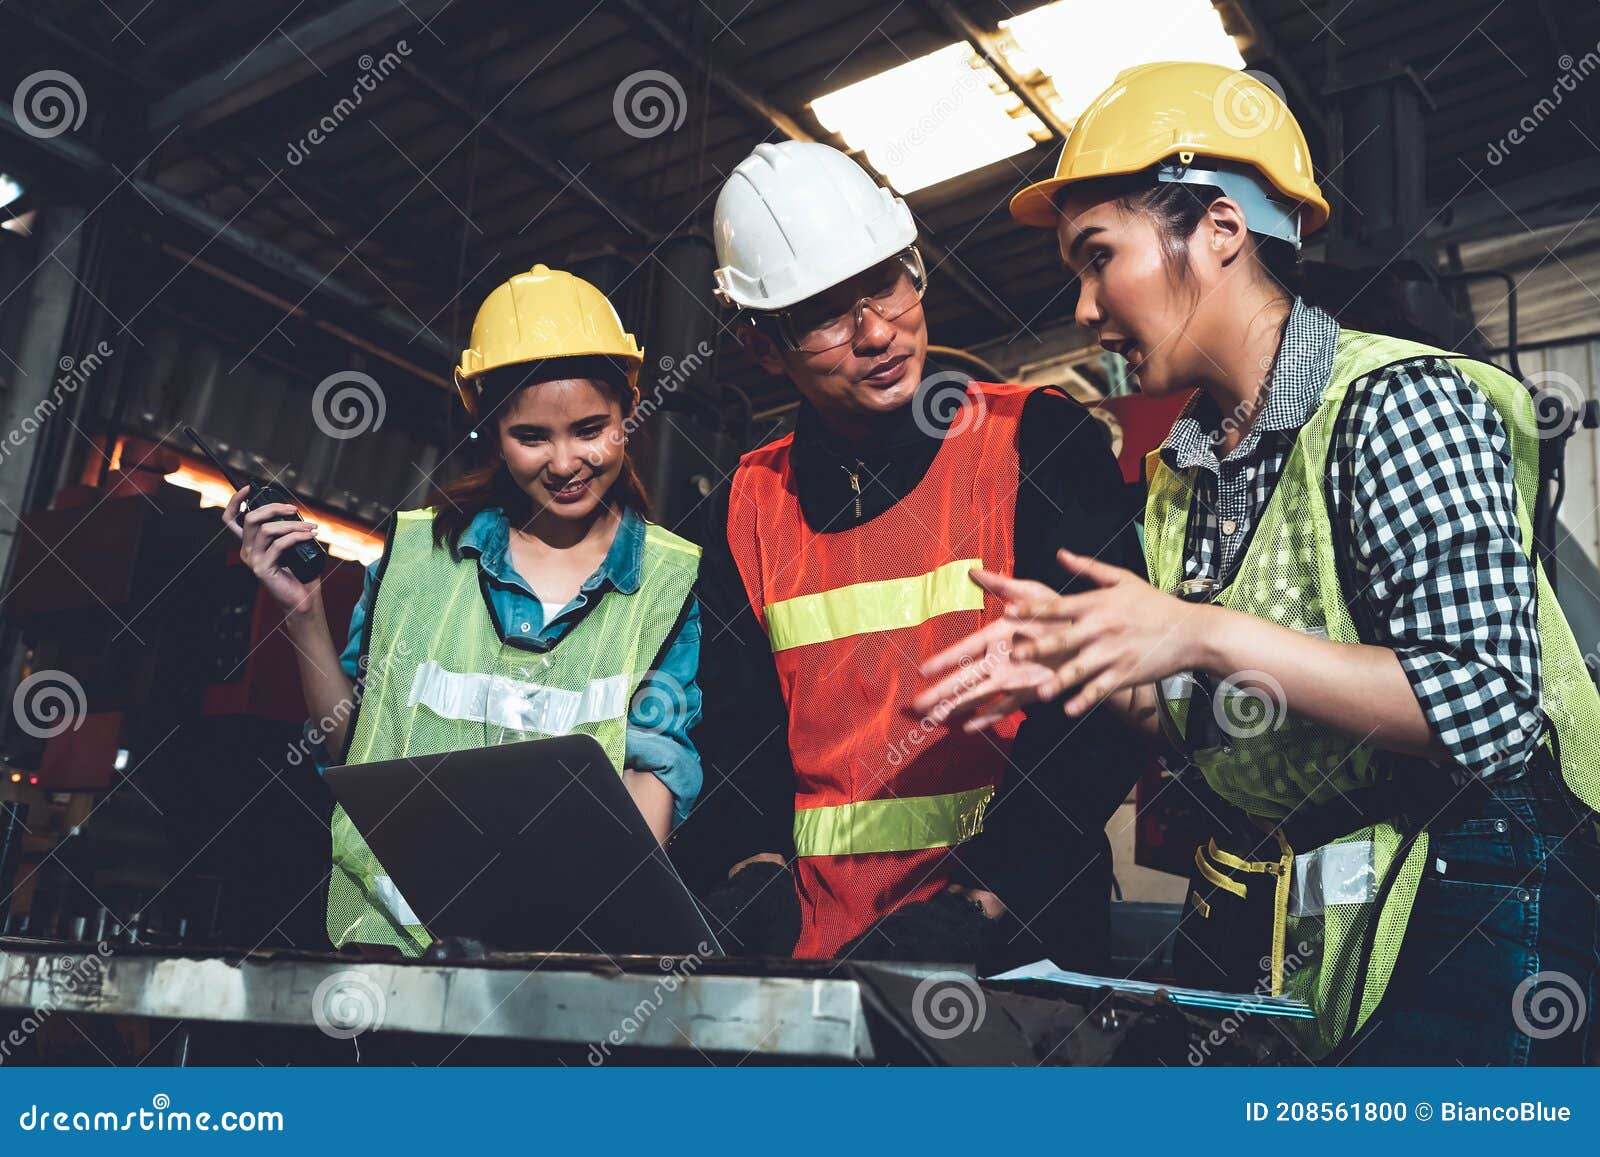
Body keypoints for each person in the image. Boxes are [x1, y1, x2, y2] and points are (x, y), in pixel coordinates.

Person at [917, 61, 1600, 1063]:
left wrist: (1192, 629)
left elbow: (1487, 702)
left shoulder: (1394, 402)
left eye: (1098, 256)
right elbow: (1223, 722)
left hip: (1479, 888)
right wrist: (1104, 675)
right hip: (1308, 904)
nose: (1082, 307)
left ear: (1220, 232)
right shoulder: (1183, 468)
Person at [677, 141, 1145, 973]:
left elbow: (1102, 712)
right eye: (825, 313)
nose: (877, 331)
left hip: (1016, 950)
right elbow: (734, 739)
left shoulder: (1038, 444)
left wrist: (983, 901)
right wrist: (751, 874)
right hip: (812, 958)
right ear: (760, 346)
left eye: (887, 282)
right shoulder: (742, 510)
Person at [222, 265, 704, 957]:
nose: (565, 461)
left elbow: (655, 773)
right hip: (389, 957)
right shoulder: (418, 556)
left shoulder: (665, 581)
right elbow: (357, 750)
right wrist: (302, 615)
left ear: (629, 410)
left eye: (591, 428)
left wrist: (579, 924)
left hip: (560, 967)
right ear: (490, 428)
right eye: (532, 436)